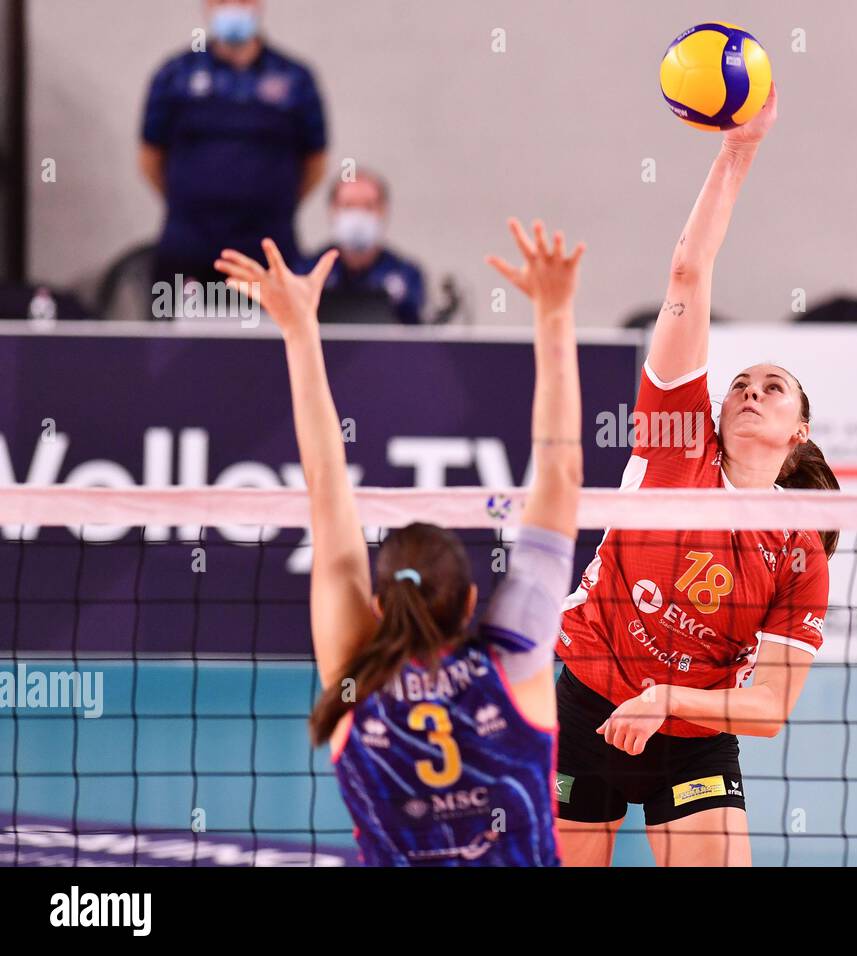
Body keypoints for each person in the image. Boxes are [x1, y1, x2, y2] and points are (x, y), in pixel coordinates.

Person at [214, 218, 585, 865]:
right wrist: (554, 314)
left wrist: (300, 330)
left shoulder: (353, 679)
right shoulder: (516, 659)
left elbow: (328, 488)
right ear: (470, 602)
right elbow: (561, 469)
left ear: (380, 605)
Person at [552, 86, 839, 867]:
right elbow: (688, 271)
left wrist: (670, 701)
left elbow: (771, 707)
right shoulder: (676, 444)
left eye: (772, 388)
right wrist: (740, 146)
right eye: (741, 384)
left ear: (797, 432)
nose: (750, 392)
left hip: (690, 734)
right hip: (584, 700)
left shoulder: (796, 550)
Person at [141, 0, 327, 305]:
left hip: (267, 245)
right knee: (176, 348)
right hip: (188, 246)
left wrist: (269, 203)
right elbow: (149, 158)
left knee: (270, 346)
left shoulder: (295, 79)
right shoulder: (175, 76)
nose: (233, 7)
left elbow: (315, 162)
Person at [312, 170, 428, 324]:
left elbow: (415, 330)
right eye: (348, 206)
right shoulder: (309, 271)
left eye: (368, 206)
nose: (358, 216)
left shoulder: (407, 274)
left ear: (383, 211)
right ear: (332, 210)